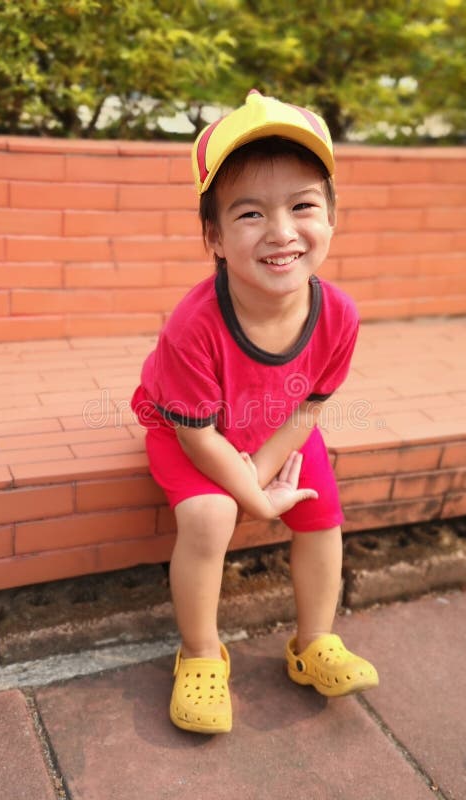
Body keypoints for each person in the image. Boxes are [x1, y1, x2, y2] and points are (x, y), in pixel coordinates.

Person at [131, 90, 378, 735]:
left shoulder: (339, 315)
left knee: (321, 510)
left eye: (303, 206)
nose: (281, 232)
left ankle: (314, 642)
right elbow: (195, 432)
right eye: (249, 214)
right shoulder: (194, 325)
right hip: (187, 425)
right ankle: (201, 654)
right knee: (212, 515)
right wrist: (252, 496)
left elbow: (311, 405)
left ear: (331, 217)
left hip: (276, 422)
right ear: (212, 235)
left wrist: (268, 470)